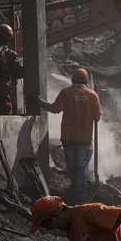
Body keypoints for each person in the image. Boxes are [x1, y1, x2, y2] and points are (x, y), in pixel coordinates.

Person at [39, 68, 102, 203]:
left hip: (68, 138)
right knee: (81, 169)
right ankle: (79, 198)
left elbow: (55, 109)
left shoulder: (66, 92)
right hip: (84, 139)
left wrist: (39, 102)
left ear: (73, 79)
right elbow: (97, 117)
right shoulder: (93, 95)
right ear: (86, 81)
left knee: (73, 168)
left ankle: (75, 195)